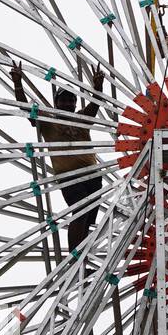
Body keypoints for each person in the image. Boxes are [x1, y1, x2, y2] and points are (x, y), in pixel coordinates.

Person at [10, 62, 105, 255]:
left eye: (71, 101)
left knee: (88, 215)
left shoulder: (81, 118)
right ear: (57, 103)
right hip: (69, 175)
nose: (68, 104)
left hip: (92, 174)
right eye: (64, 101)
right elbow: (26, 109)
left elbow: (95, 105)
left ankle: (82, 256)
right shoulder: (48, 121)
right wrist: (18, 83)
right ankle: (75, 256)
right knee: (80, 211)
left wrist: (98, 87)